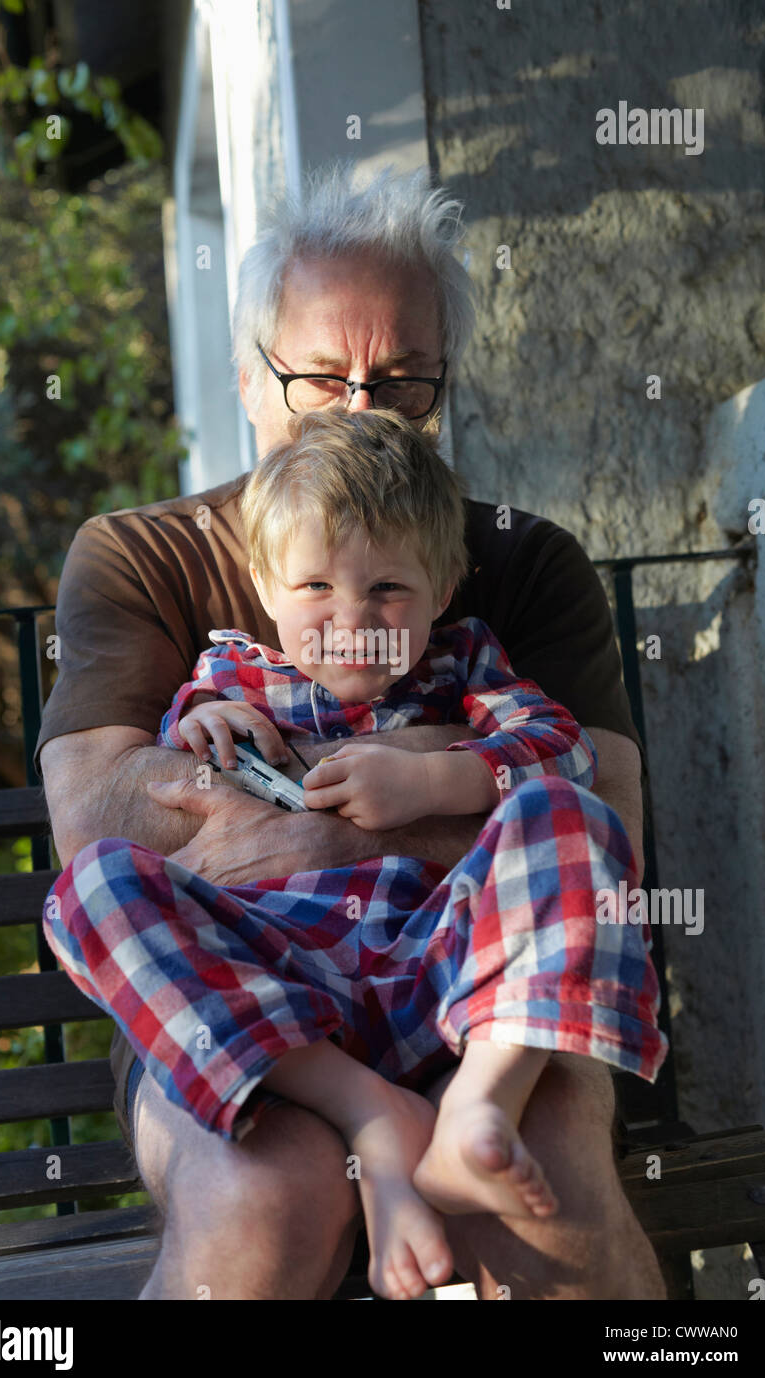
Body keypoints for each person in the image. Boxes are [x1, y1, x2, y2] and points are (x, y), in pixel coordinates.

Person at [38, 162, 665, 1299]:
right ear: (249, 376)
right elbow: (97, 817)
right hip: (248, 986)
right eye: (321, 374)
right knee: (263, 1190)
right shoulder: (145, 555)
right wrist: (414, 785)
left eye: (405, 378)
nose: (364, 408)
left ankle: (462, 1123)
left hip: (460, 969)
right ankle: (366, 1119)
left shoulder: (520, 563)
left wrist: (385, 789)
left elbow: (599, 812)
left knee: (550, 1165)